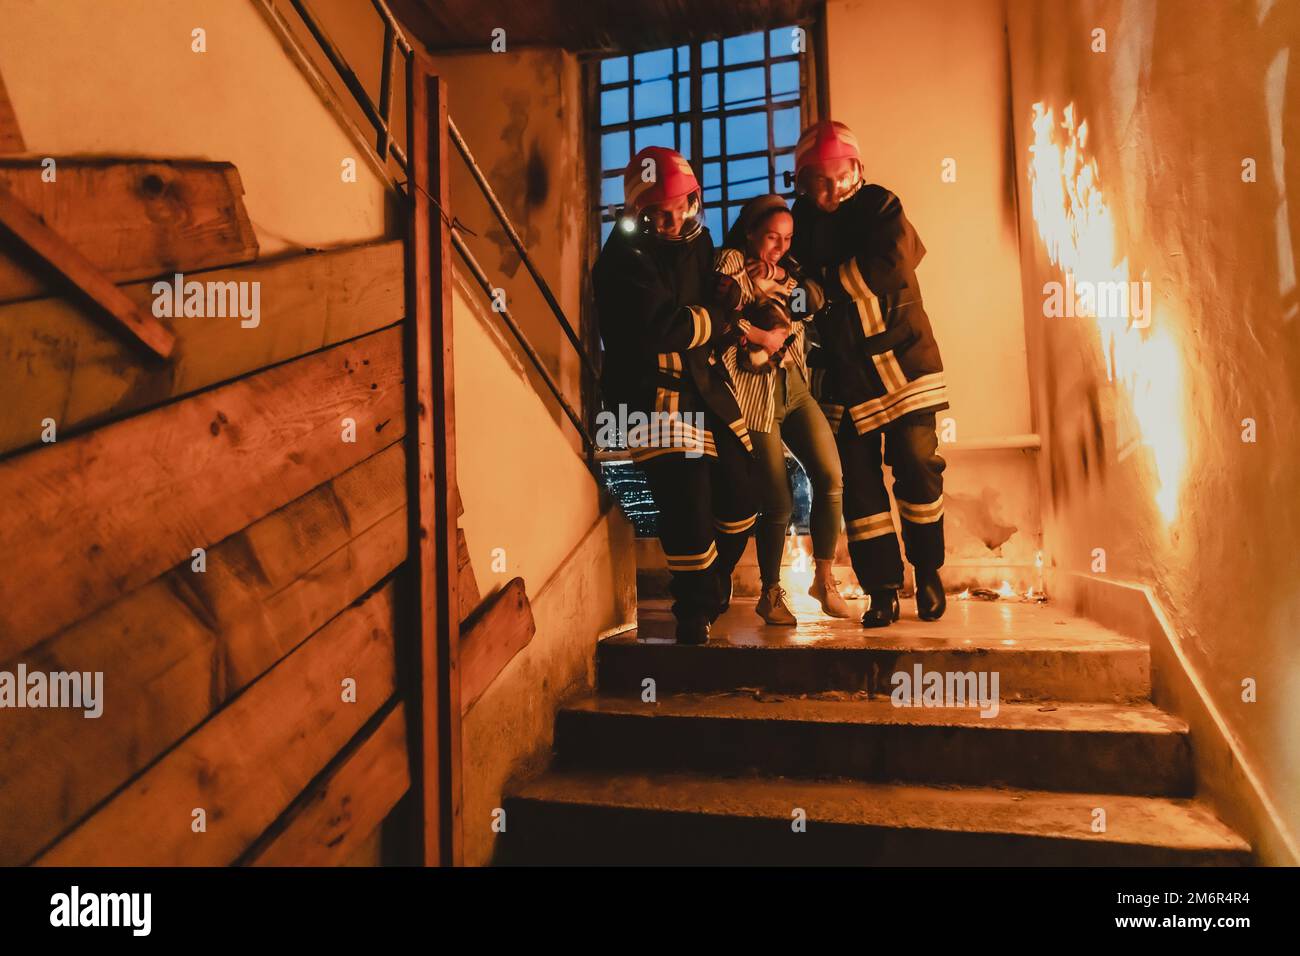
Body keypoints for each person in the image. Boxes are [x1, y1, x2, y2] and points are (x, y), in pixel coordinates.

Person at [593, 145, 758, 645]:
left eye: (679, 206)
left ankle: (713, 583)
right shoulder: (621, 258)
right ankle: (694, 614)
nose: (671, 219)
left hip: (705, 389)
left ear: (694, 200)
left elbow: (710, 311)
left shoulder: (702, 241)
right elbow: (663, 328)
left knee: (743, 495)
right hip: (646, 398)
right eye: (658, 212)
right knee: (687, 498)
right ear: (636, 212)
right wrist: (721, 314)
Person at [790, 120, 949, 627]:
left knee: (918, 465)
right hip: (841, 377)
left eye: (838, 176)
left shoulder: (883, 205)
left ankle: (927, 573)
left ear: (857, 170)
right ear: (802, 182)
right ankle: (882, 591)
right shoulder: (800, 221)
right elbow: (792, 277)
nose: (830, 188)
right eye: (818, 180)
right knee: (860, 491)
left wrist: (825, 285)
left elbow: (893, 263)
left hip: (902, 366)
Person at [714, 194, 851, 625]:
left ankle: (824, 578)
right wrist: (760, 334)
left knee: (831, 476)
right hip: (755, 395)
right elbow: (722, 312)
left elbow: (805, 305)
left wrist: (775, 275)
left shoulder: (787, 270)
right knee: (778, 501)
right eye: (772, 237)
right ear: (752, 231)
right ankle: (770, 591)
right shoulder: (729, 259)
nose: (779, 246)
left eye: (787, 239)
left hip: (794, 386)